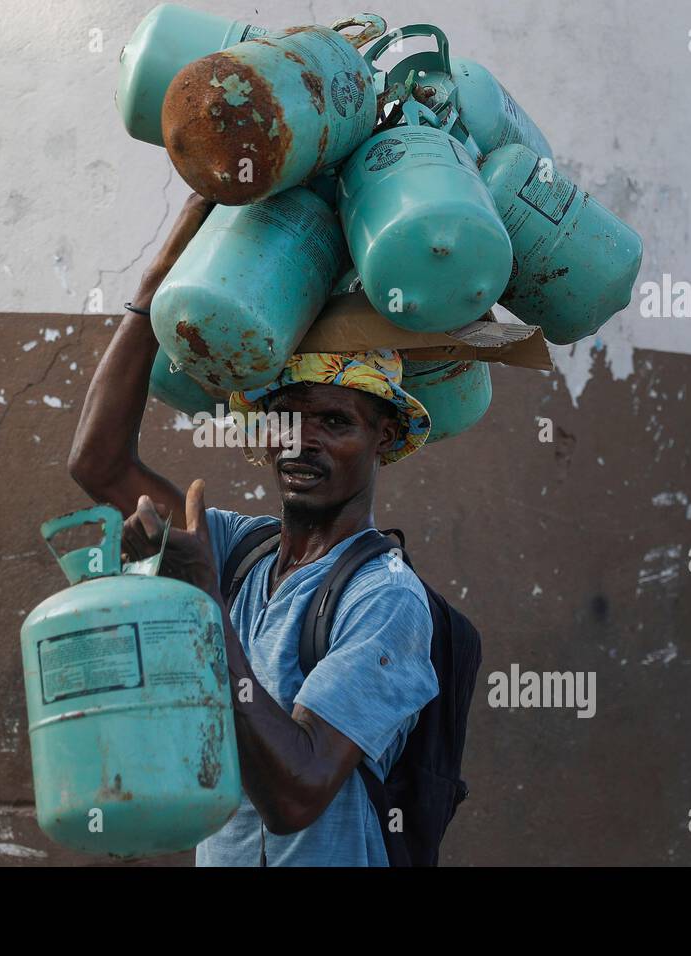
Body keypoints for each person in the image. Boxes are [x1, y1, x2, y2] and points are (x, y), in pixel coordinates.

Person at [68, 194, 438, 866]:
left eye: (336, 422)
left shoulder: (385, 599)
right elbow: (98, 463)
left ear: (383, 437)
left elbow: (296, 796)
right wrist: (160, 285)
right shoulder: (242, 551)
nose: (304, 443)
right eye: (287, 419)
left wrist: (203, 610)